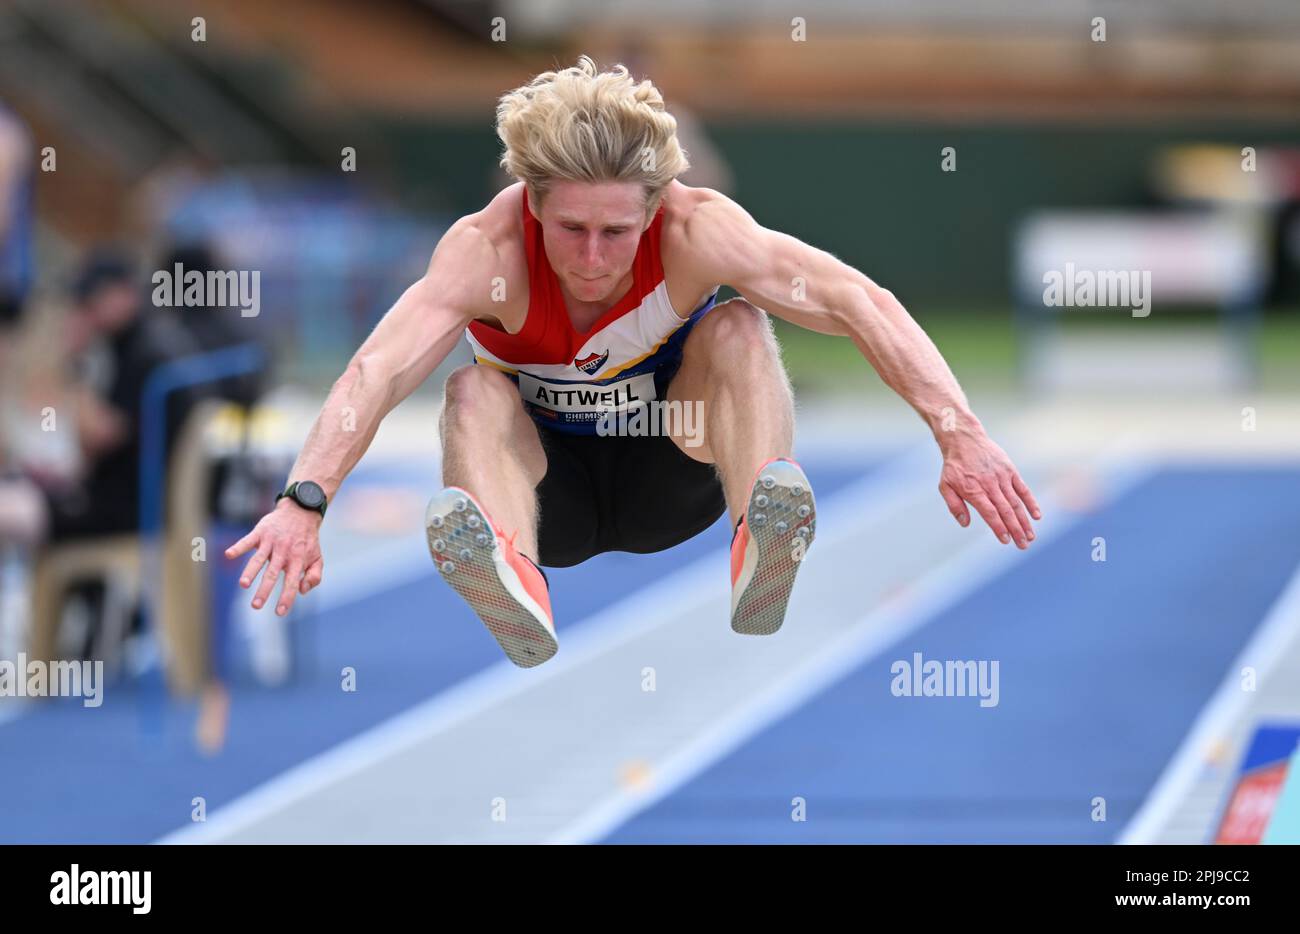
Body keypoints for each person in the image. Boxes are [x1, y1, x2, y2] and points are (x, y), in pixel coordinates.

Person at [227, 57, 1040, 668]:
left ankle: (761, 534)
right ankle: (511, 575)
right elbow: (378, 371)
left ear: (655, 207)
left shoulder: (699, 232)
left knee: (739, 329)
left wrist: (957, 431)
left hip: (673, 469)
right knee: (471, 390)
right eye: (569, 228)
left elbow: (857, 300)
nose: (590, 257)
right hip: (550, 496)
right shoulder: (484, 251)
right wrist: (305, 500)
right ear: (532, 201)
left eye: (616, 232)